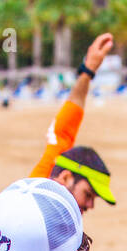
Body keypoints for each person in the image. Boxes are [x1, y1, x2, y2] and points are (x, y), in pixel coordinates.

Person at [31, 33, 117, 214]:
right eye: (88, 195)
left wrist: (88, 70)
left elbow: (65, 126)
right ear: (66, 177)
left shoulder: (46, 179)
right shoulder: (34, 204)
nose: (90, 206)